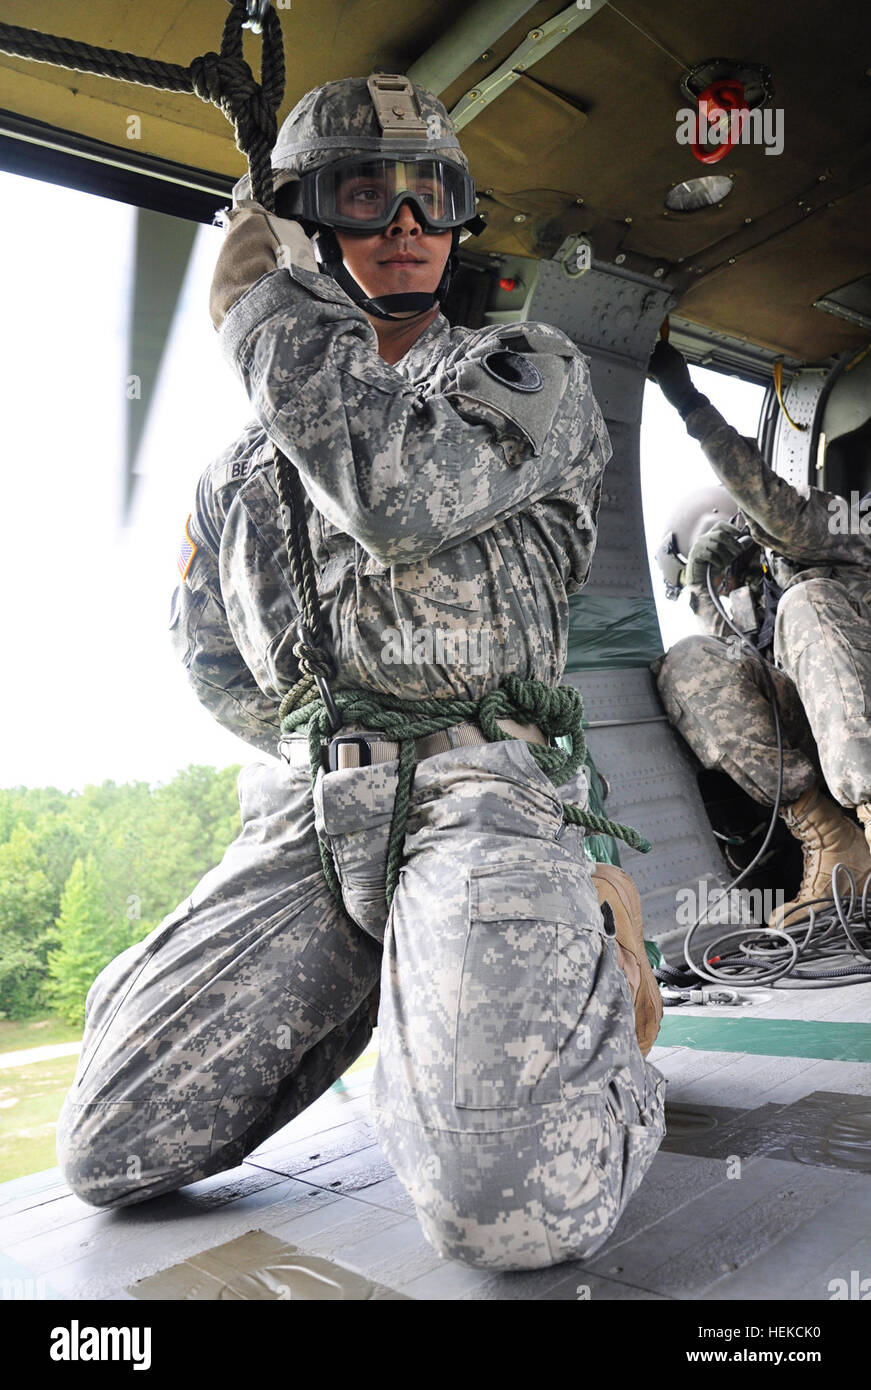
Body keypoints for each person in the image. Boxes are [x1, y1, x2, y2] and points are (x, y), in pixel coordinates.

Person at [56, 75, 665, 1272]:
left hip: (482, 800)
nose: (405, 223)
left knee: (509, 1216)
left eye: (432, 195)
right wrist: (331, 757)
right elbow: (216, 663)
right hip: (313, 818)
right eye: (362, 192)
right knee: (108, 1150)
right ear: (299, 221)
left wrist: (263, 311)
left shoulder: (523, 382)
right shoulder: (237, 472)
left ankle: (591, 996)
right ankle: (418, 984)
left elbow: (391, 491)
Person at [649, 342, 871, 928]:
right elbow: (738, 669)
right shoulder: (758, 602)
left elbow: (782, 515)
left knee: (808, 603)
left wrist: (690, 405)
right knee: (689, 664)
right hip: (831, 745)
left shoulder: (841, 529)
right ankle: (833, 843)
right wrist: (700, 582)